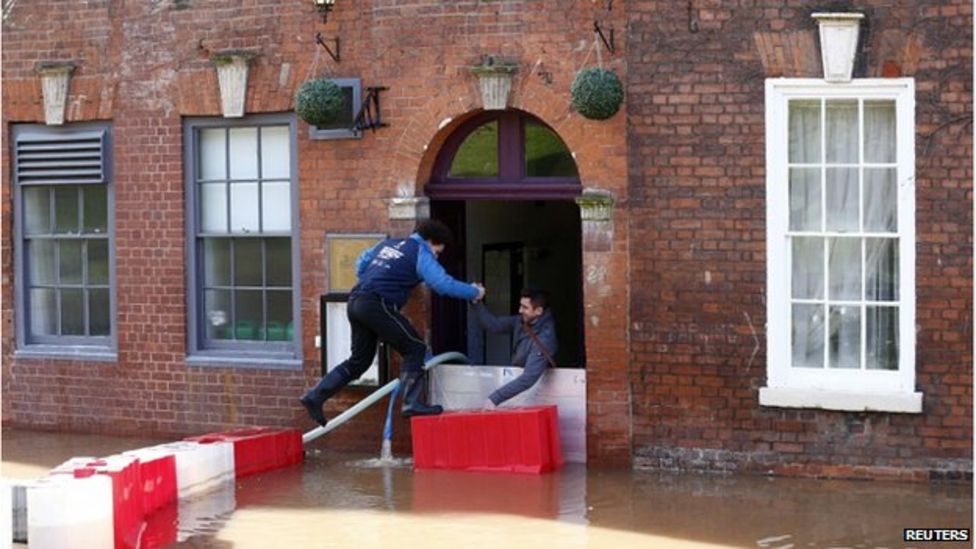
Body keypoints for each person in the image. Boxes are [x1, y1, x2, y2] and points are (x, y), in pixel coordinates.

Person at [300, 219, 485, 427]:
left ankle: (315, 396)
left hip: (355, 301)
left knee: (359, 361)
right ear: (431, 241)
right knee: (415, 347)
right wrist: (474, 292)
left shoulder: (387, 245)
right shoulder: (420, 253)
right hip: (377, 304)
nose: (437, 256)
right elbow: (442, 284)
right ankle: (411, 404)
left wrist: (376, 279)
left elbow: (361, 263)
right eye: (438, 251)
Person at [470, 287, 557, 408]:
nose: (520, 310)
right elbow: (494, 325)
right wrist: (476, 302)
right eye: (521, 306)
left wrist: (494, 399)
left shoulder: (545, 338)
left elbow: (528, 378)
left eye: (525, 307)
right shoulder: (521, 321)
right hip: (518, 390)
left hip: (539, 397)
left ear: (538, 311)